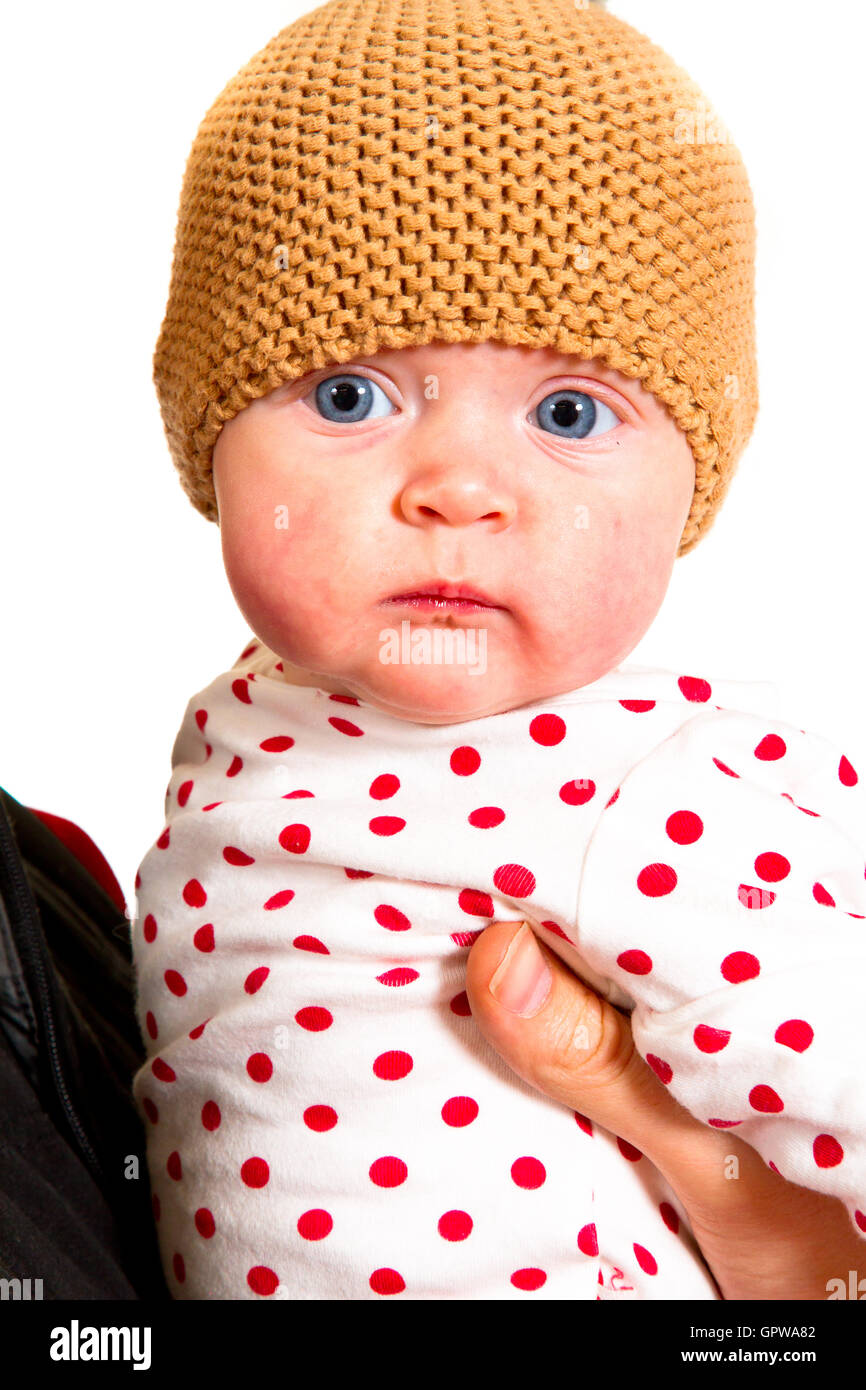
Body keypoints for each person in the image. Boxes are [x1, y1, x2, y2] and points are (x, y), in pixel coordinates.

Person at [130, 0, 866, 1298]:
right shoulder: (241, 717)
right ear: (204, 434)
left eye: (569, 410)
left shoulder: (664, 778)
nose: (459, 487)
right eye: (348, 394)